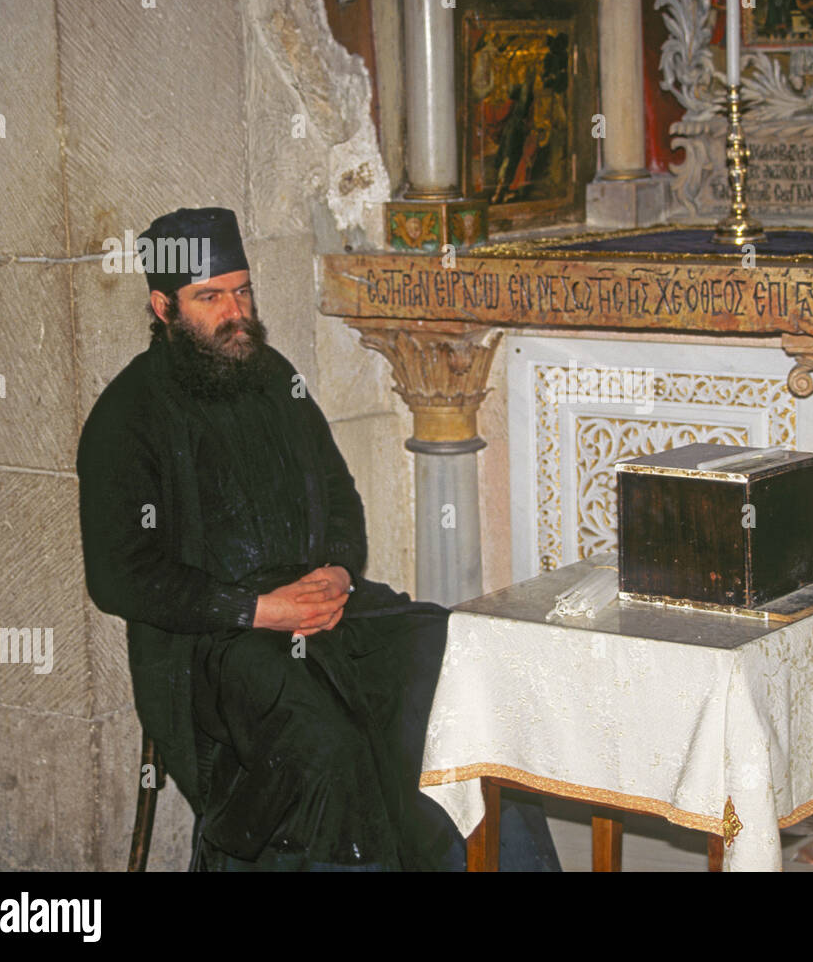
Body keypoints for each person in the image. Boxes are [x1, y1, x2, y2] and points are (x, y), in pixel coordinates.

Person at [77, 207, 558, 871]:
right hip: (212, 648)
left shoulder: (275, 377)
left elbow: (340, 500)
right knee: (323, 740)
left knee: (453, 659)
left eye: (242, 290)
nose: (234, 311)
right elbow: (120, 575)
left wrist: (336, 571)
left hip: (326, 611)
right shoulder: (128, 414)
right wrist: (262, 610)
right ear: (164, 307)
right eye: (210, 297)